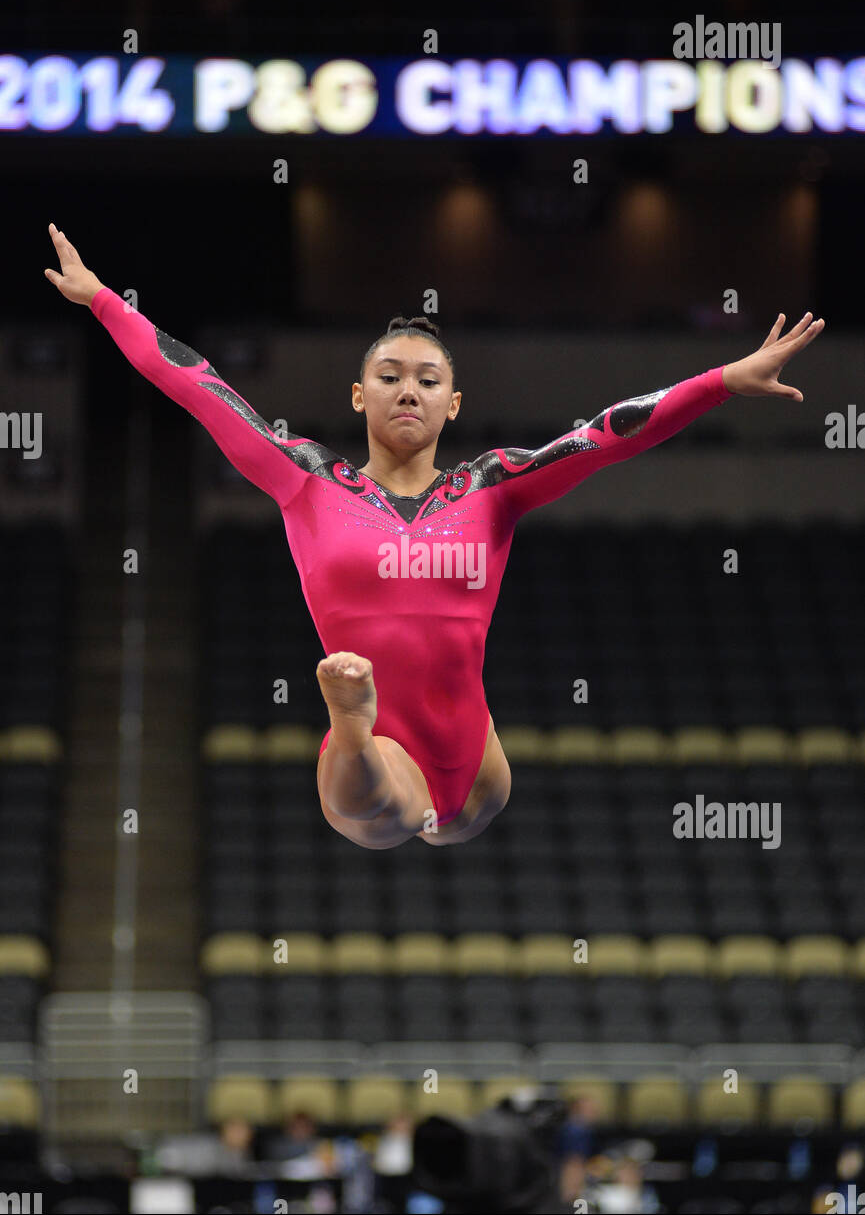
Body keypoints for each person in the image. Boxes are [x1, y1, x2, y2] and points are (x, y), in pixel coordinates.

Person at [44, 222, 825, 851]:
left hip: (475, 763)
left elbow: (607, 432)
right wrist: (105, 301)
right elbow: (201, 385)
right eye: (388, 376)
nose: (407, 389)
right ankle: (352, 725)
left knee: (456, 809)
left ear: (453, 403)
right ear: (358, 396)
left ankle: (405, 772)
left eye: (426, 379)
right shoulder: (306, 480)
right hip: (380, 758)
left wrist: (723, 379)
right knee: (387, 801)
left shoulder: (491, 487)